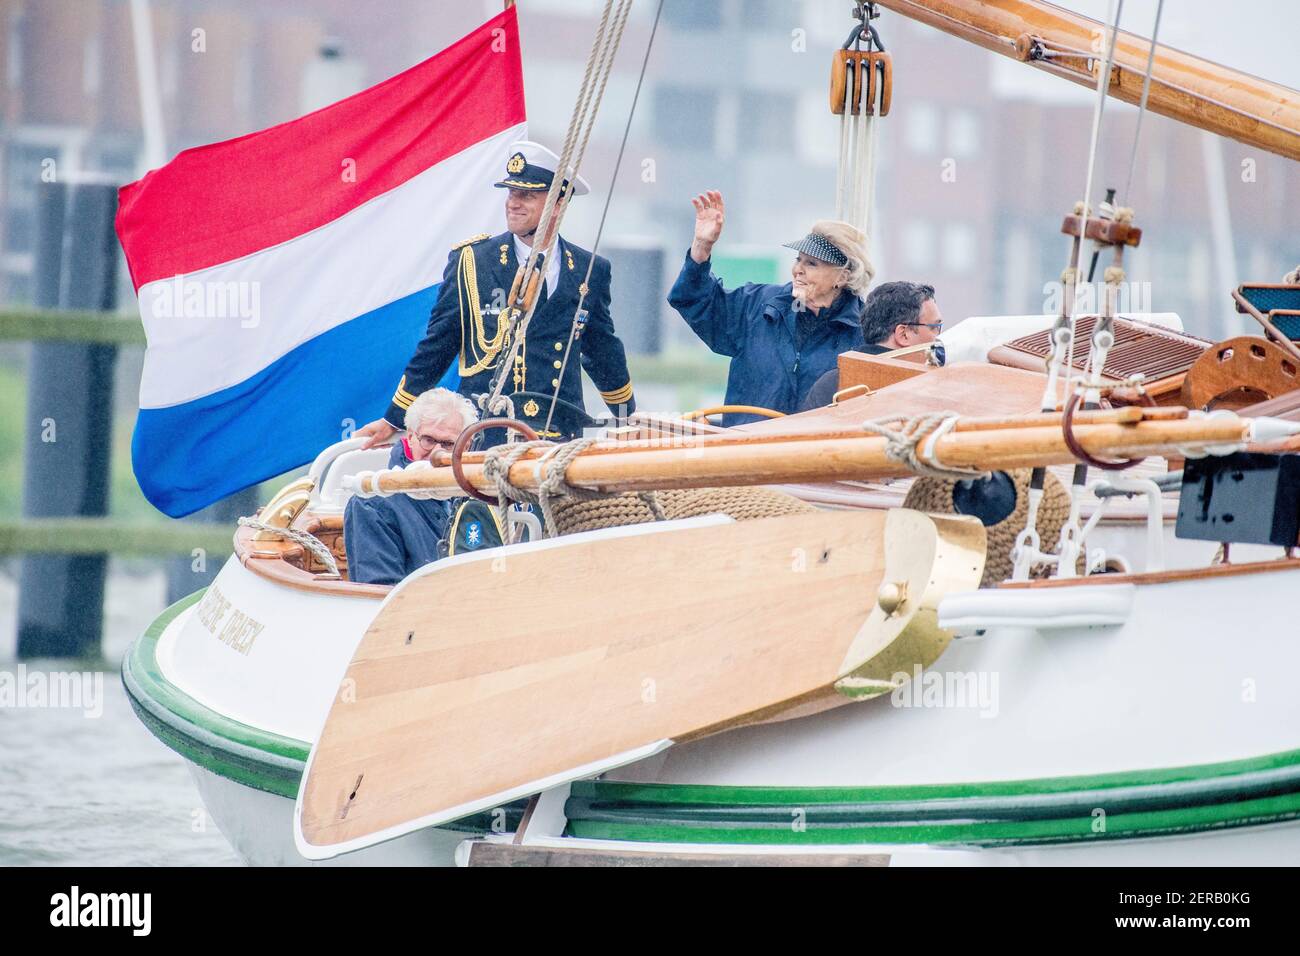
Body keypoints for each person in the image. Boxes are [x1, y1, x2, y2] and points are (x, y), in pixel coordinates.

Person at [354, 141, 636, 449]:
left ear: (557, 204)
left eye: (526, 195)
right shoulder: (473, 261)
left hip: (558, 436)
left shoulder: (589, 269)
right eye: (511, 193)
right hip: (485, 435)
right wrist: (393, 418)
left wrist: (629, 418)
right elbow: (437, 347)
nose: (513, 203)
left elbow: (602, 352)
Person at [666, 189, 874, 426]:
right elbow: (695, 300)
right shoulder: (758, 305)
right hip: (744, 455)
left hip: (816, 459)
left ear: (843, 276)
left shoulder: (864, 333)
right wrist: (701, 247)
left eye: (812, 263)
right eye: (798, 259)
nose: (798, 269)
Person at [344, 387, 477, 586]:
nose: (437, 454)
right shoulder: (371, 504)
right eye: (428, 440)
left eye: (448, 444)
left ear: (465, 447)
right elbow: (379, 591)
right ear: (410, 437)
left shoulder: (479, 499)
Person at [799, 281, 944, 411]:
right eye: (935, 327)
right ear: (903, 334)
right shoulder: (925, 386)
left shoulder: (829, 384)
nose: (938, 338)